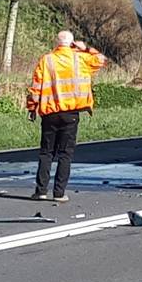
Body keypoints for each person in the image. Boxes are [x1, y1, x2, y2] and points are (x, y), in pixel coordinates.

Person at [26, 30, 106, 202]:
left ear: (57, 42)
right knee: (65, 154)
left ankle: (40, 191)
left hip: (50, 113)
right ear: (71, 43)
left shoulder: (46, 60)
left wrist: (32, 108)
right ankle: (59, 193)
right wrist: (86, 48)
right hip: (71, 113)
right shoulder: (81, 59)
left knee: (46, 153)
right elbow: (101, 60)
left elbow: (36, 88)